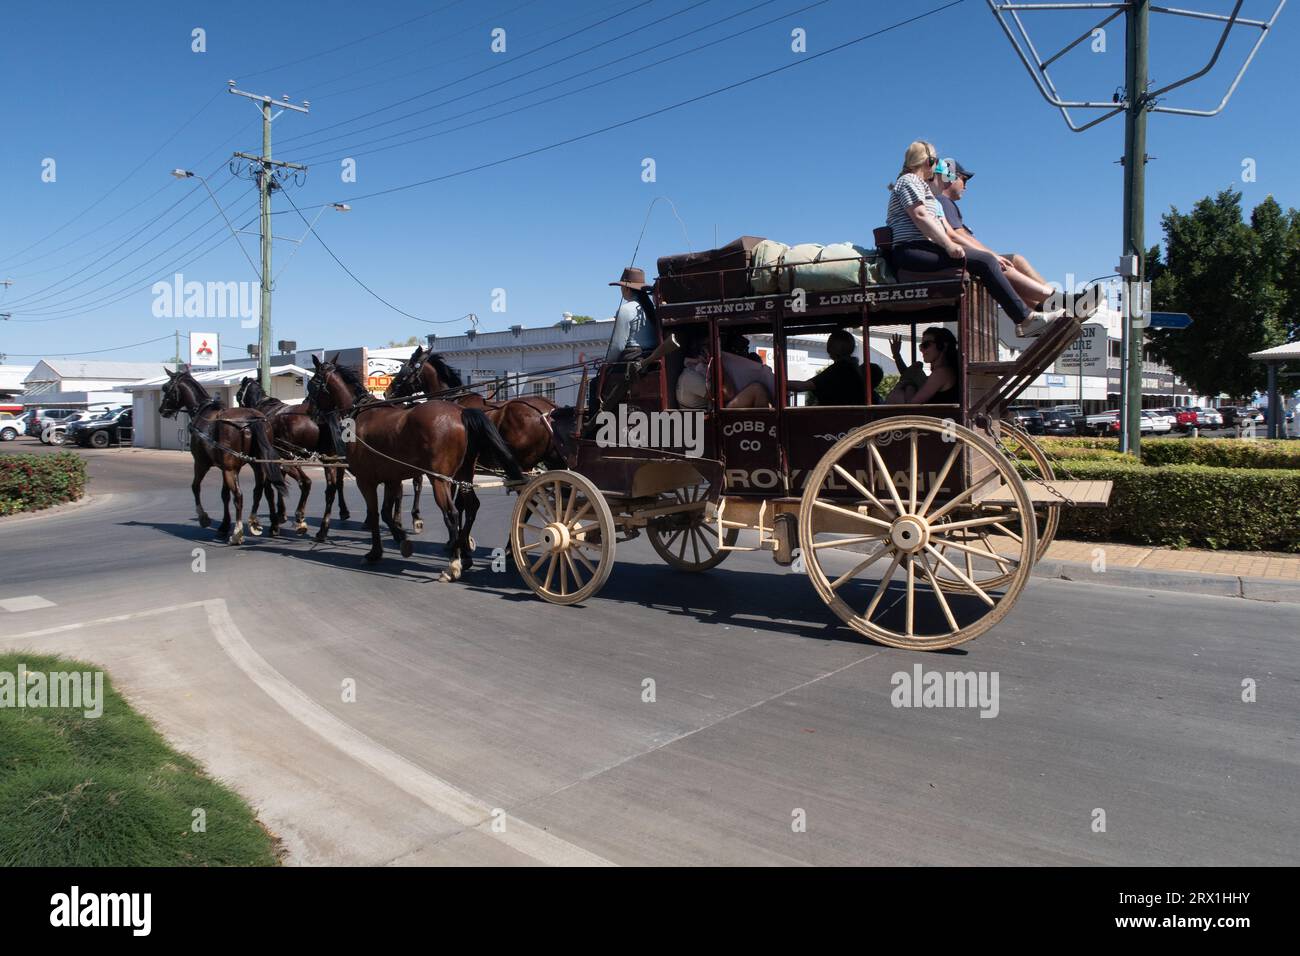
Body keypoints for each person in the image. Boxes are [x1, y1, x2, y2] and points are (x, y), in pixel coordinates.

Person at [885, 141, 1065, 338]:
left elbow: (938, 224)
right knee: (985, 261)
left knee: (987, 260)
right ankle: (1027, 318)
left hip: (924, 248)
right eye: (935, 160)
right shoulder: (909, 181)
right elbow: (920, 216)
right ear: (929, 161)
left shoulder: (922, 188)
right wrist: (948, 245)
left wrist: (950, 243)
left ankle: (1039, 310)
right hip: (912, 250)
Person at [931, 159, 1102, 319]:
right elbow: (958, 236)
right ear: (949, 177)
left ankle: (1048, 307)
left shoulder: (940, 202)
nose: (966, 187)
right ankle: (1062, 303)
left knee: (1014, 260)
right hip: (957, 261)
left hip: (959, 259)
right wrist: (992, 256)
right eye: (964, 180)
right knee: (1003, 264)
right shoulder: (943, 201)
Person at [789, 329, 870, 405]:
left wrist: (779, 384)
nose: (828, 347)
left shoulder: (841, 368)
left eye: (831, 343)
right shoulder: (851, 367)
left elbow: (802, 386)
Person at [886, 328, 960, 404]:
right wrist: (897, 355)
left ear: (943, 345)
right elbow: (908, 374)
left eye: (926, 345)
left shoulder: (941, 373)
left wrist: (910, 385)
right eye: (921, 346)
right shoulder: (944, 372)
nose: (921, 349)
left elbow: (912, 405)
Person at [605, 267, 658, 363]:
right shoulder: (651, 309)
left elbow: (617, 346)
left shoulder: (625, 310)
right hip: (652, 357)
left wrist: (606, 363)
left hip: (631, 360)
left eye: (621, 287)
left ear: (626, 289)